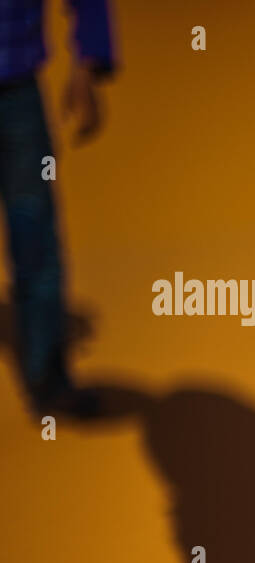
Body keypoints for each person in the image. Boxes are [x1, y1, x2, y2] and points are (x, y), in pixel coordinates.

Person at [0, 0, 113, 416]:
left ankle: (48, 378)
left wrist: (90, 61)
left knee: (36, 236)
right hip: (18, 86)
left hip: (17, 87)